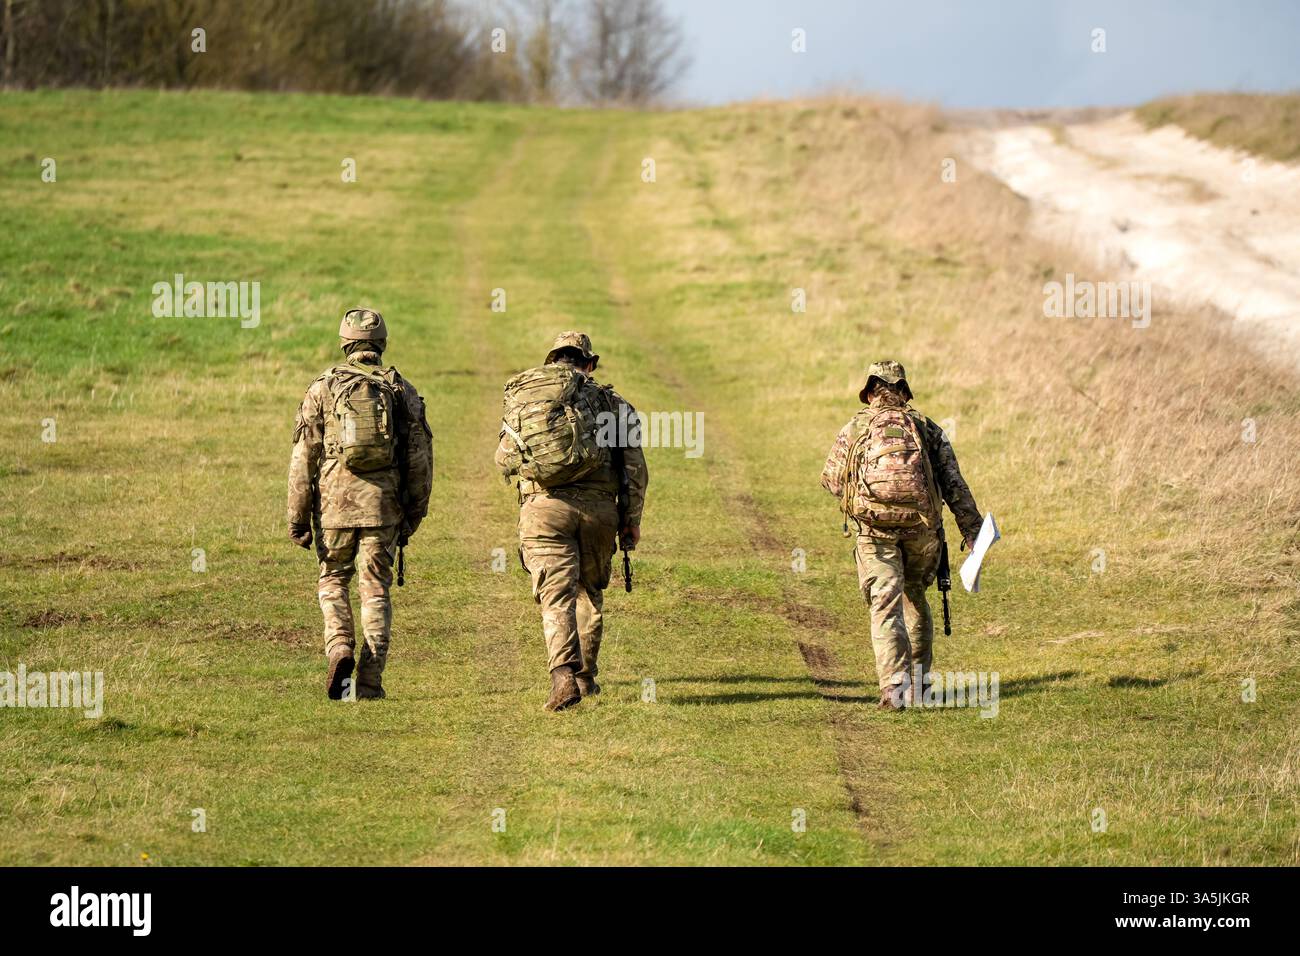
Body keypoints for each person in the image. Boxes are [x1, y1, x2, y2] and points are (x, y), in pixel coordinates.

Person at [495, 331, 648, 711]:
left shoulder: (530, 401)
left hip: (544, 510)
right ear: (589, 364)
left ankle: (562, 674)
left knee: (556, 594)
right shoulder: (614, 405)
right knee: (588, 592)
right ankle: (585, 678)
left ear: (551, 361)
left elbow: (503, 458)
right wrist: (631, 520)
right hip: (598, 513)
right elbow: (634, 469)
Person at [286, 308, 433, 700]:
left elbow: (304, 457)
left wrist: (297, 517)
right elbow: (419, 458)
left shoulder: (323, 388)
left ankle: (339, 648)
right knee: (376, 590)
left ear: (345, 343)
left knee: (333, 580)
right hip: (383, 508)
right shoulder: (401, 389)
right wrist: (413, 512)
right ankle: (368, 681)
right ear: (382, 345)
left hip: (333, 507)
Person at [820, 360, 982, 710]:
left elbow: (831, 480)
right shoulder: (926, 427)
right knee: (914, 598)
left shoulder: (856, 427)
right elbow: (955, 486)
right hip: (922, 532)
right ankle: (920, 686)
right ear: (904, 391)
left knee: (884, 603)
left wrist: (867, 499)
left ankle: (894, 691)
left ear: (869, 392)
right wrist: (973, 533)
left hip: (874, 532)